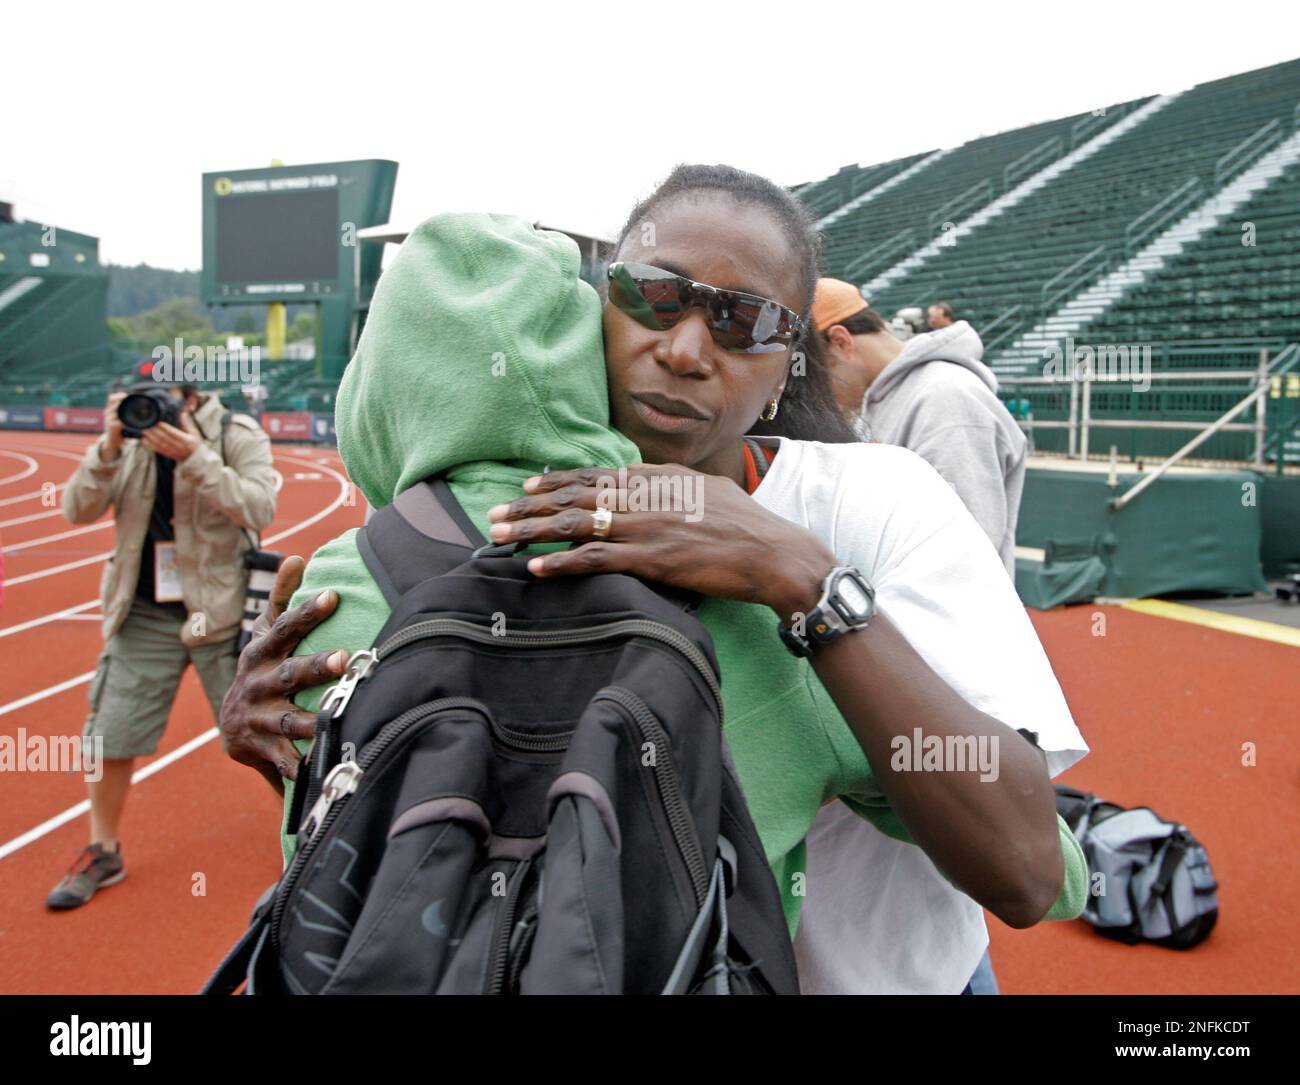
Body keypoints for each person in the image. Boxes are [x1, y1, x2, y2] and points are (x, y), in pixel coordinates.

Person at [220, 167, 1088, 992]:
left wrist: (801, 578)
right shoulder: (496, 522)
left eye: (743, 323)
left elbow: (1025, 868)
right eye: (653, 296)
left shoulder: (877, 497)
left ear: (791, 357)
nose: (682, 349)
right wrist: (302, 726)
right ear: (600, 303)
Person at [47, 375, 277, 909]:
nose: (152, 412)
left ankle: (304, 844)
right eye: (141, 402)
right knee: (108, 735)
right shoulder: (126, 441)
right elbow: (75, 509)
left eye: (166, 401)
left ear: (192, 399)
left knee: (262, 735)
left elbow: (259, 508)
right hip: (145, 612)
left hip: (218, 611)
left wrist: (194, 455)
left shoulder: (234, 434)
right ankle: (103, 850)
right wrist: (106, 448)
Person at [816, 279, 1025, 575]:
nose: (820, 394)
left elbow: (963, 555)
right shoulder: (882, 398)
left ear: (840, 342)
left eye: (817, 378)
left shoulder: (946, 397)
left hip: (945, 616)